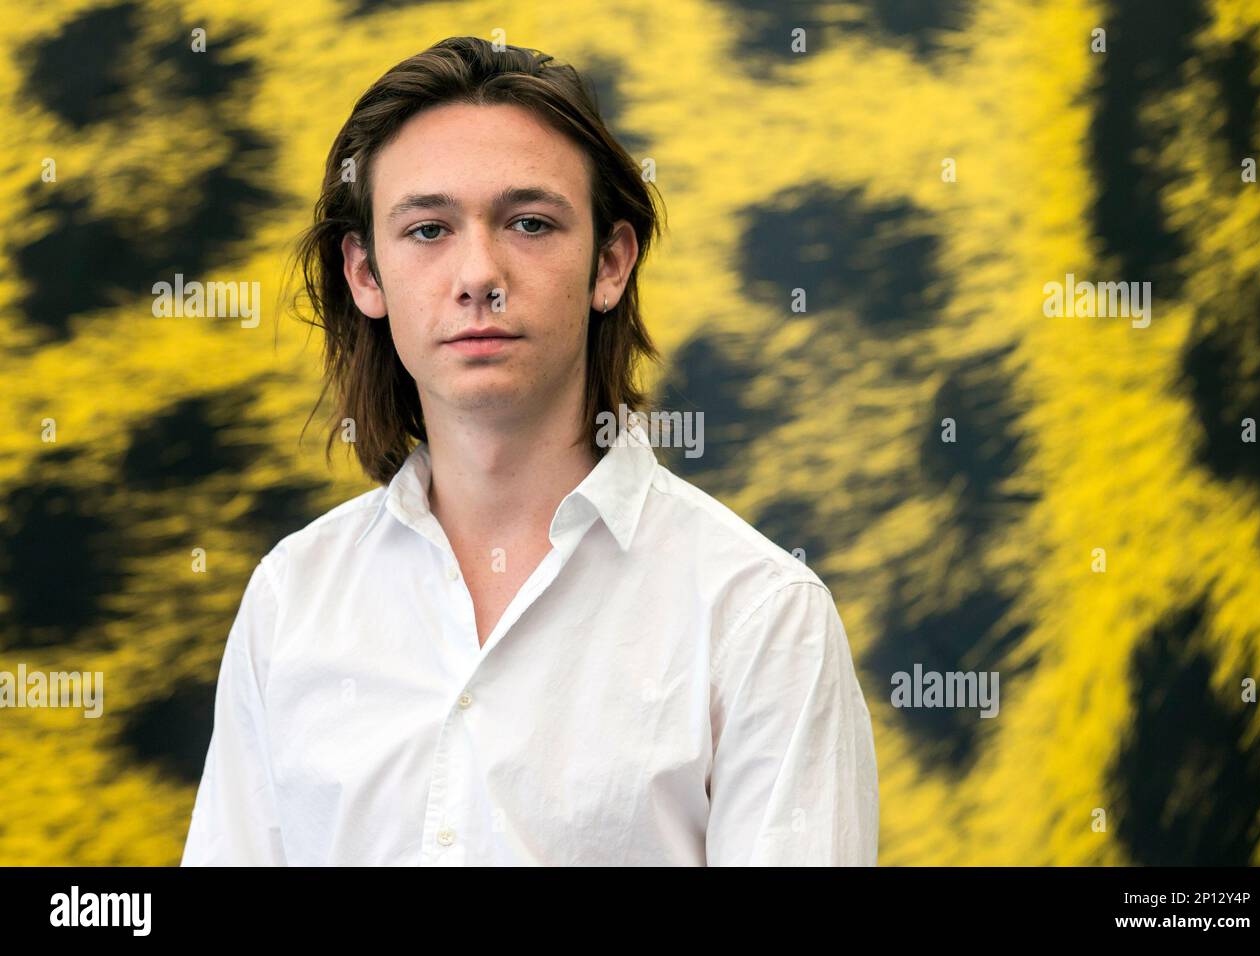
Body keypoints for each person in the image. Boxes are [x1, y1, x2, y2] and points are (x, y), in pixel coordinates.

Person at [180, 36, 878, 866]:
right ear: (366, 275)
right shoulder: (290, 602)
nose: (479, 272)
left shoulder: (761, 616)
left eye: (531, 222)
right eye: (429, 228)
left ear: (610, 263)